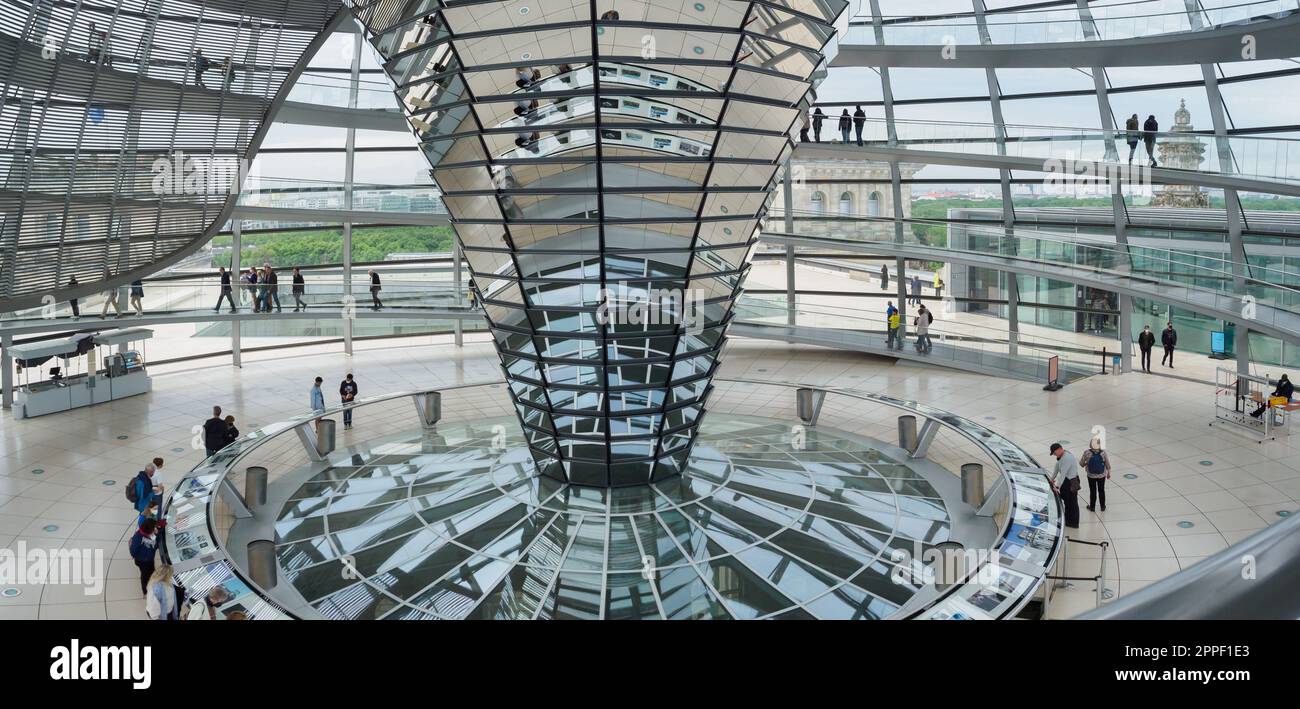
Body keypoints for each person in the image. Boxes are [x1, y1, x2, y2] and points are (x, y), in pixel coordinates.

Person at [1049, 443, 1080, 529]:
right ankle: (1068, 519)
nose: (1054, 454)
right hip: (1066, 481)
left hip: (1071, 481)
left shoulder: (1067, 458)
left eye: (1054, 452)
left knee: (1072, 503)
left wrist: (1057, 486)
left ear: (1060, 449)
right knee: (1067, 501)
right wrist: (1052, 479)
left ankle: (1074, 523)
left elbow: (1063, 474)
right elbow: (1057, 466)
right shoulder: (1061, 456)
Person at [1079, 437, 1111, 512]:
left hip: (1091, 475)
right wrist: (1108, 472)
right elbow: (1107, 464)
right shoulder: (1103, 453)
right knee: (1101, 490)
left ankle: (1092, 507)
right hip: (1101, 475)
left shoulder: (1087, 452)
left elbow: (1081, 464)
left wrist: (1087, 463)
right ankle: (1102, 506)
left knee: (1093, 491)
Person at [128, 519, 159, 595]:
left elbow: (155, 544)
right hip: (143, 561)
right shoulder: (138, 537)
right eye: (154, 528)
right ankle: (146, 591)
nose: (155, 529)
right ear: (149, 529)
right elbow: (133, 551)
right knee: (145, 576)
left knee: (150, 573)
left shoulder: (150, 534)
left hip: (149, 559)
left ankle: (151, 586)